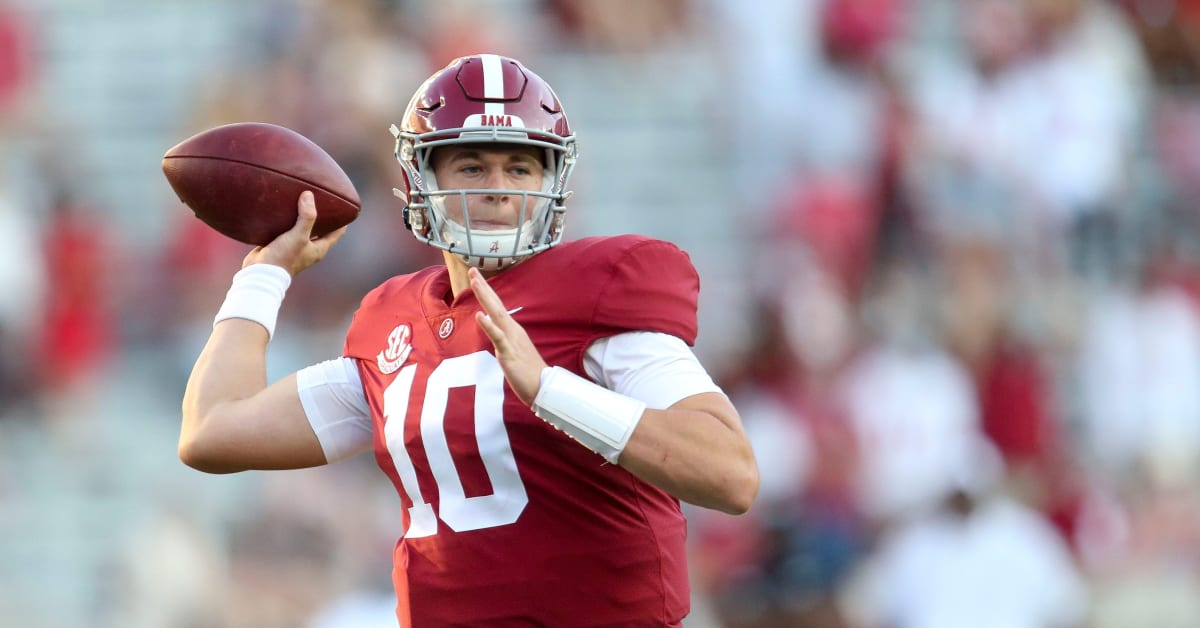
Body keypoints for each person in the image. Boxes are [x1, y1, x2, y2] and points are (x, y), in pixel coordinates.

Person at [179, 53, 760, 626]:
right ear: (420, 179)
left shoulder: (600, 293)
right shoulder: (395, 322)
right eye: (472, 167)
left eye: (520, 167)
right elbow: (213, 431)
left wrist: (549, 391)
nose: (499, 188)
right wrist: (264, 273)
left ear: (552, 181)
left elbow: (730, 475)